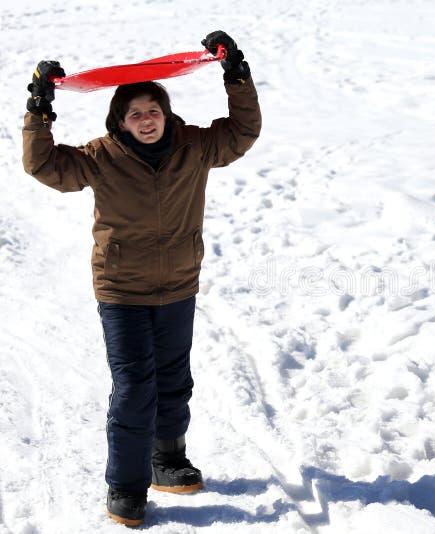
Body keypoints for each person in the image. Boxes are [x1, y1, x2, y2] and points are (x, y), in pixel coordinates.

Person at [21, 31, 262, 527]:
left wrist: (236, 76)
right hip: (122, 289)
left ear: (166, 113)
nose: (146, 120)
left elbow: (242, 132)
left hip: (178, 285)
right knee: (134, 388)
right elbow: (43, 165)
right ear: (119, 122)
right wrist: (40, 109)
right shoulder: (100, 156)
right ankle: (125, 487)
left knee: (174, 380)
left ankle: (167, 462)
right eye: (135, 114)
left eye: (153, 110)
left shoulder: (195, 145)